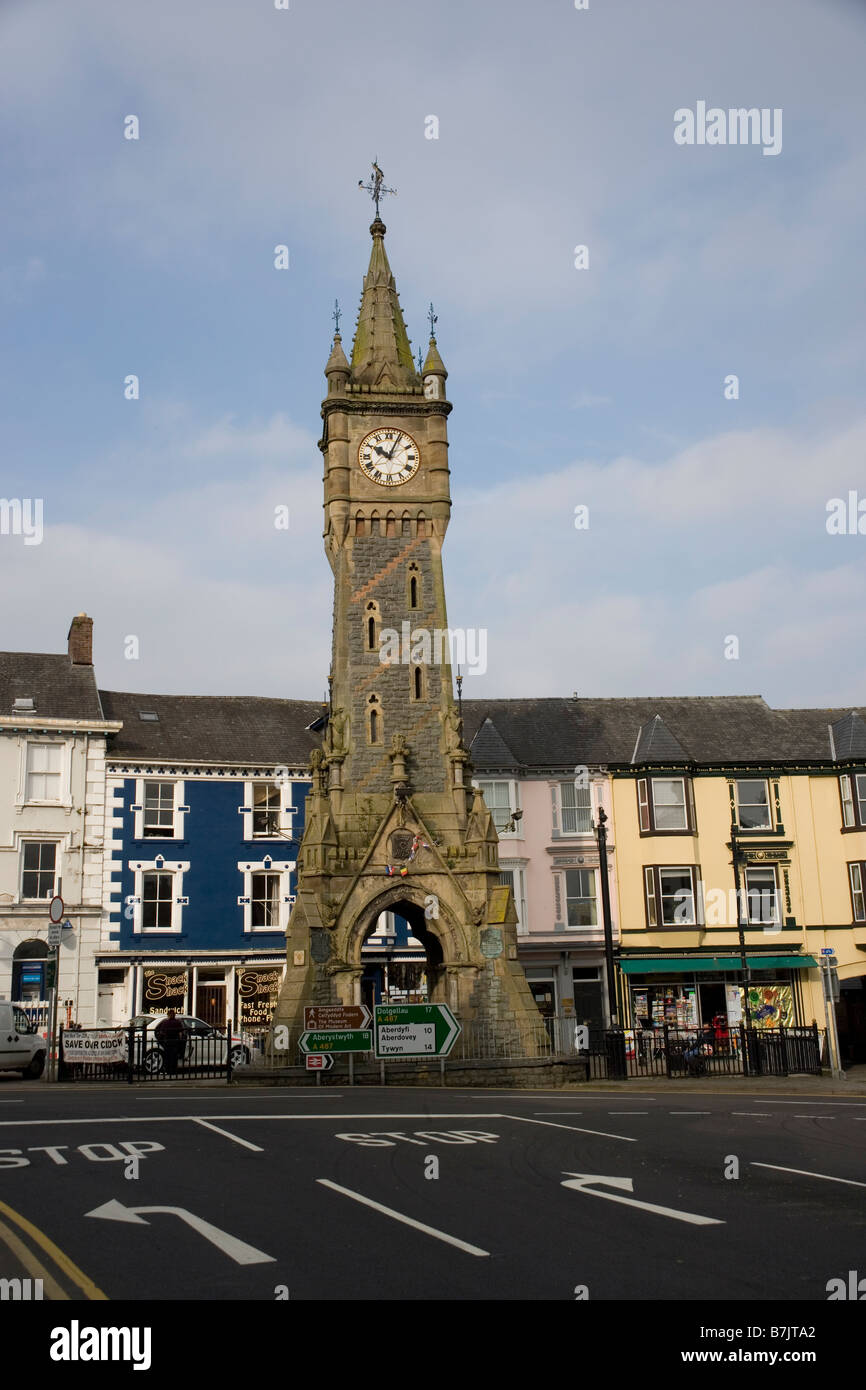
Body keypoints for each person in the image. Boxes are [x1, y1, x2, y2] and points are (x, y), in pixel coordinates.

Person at [154, 1009, 186, 1075]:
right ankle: (173, 1071)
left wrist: (161, 1039)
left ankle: (167, 1070)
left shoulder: (165, 1022)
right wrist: (180, 1041)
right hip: (175, 1041)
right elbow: (180, 1033)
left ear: (168, 1015)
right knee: (174, 1057)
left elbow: (162, 1032)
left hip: (167, 1041)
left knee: (167, 1056)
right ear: (174, 1015)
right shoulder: (178, 1022)